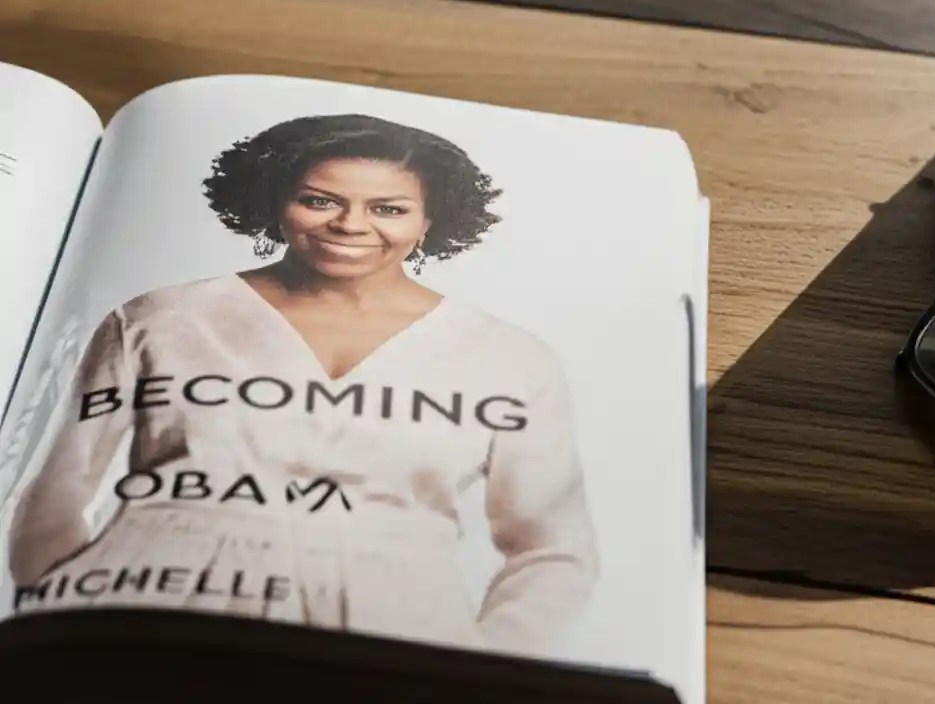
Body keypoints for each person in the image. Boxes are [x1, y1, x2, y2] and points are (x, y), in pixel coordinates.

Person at [7, 114, 598, 656]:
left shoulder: (508, 356)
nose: (351, 225)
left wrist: (480, 663)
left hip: (396, 634)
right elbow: (56, 494)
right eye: (319, 200)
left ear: (429, 220)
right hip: (149, 613)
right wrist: (61, 616)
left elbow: (552, 548)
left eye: (389, 209)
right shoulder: (159, 318)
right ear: (276, 201)